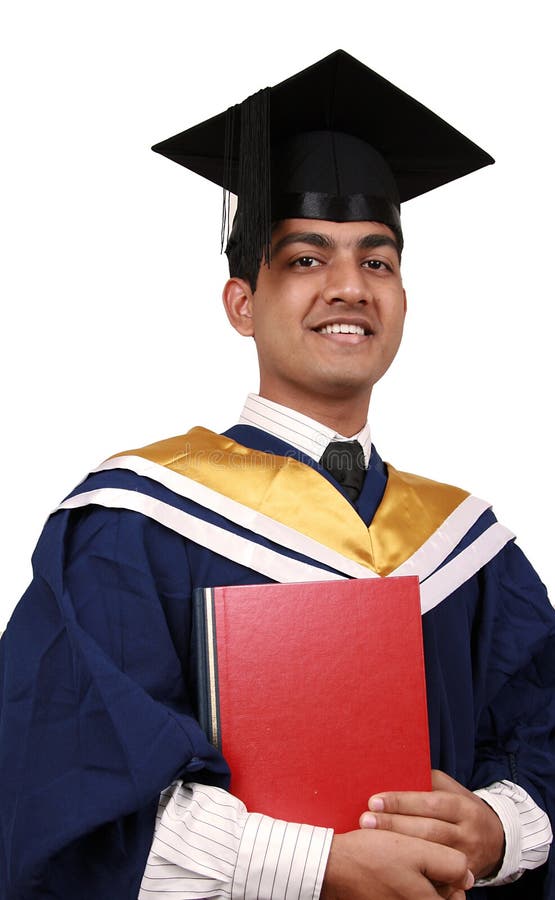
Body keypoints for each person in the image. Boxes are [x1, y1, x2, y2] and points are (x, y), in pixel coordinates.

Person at [0, 49, 553, 900]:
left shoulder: (472, 552)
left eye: (377, 261)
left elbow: (539, 736)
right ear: (242, 303)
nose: (349, 287)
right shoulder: (133, 524)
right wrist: (315, 866)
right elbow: (63, 772)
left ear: (402, 298)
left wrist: (497, 828)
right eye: (305, 259)